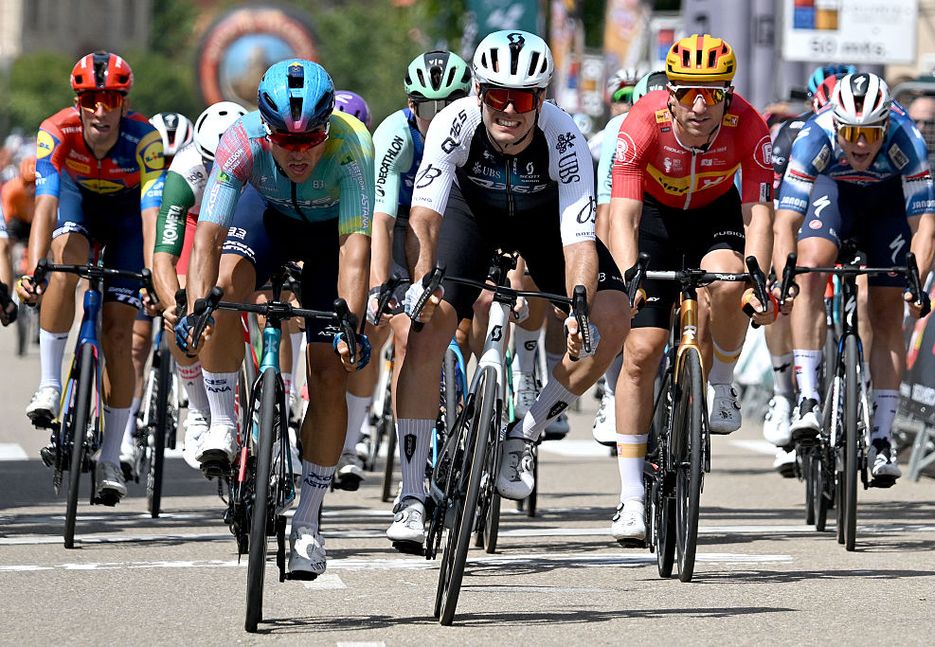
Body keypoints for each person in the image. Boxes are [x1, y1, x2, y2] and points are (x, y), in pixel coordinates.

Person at [395, 29, 630, 550]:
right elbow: (426, 218)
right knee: (427, 321)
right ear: (478, 92)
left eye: (522, 98)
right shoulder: (453, 124)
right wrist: (422, 282)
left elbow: (579, 242)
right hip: (469, 219)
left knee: (612, 317)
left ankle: (524, 432)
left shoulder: (564, 137)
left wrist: (578, 310)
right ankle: (412, 497)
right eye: (496, 95)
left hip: (541, 224)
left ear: (541, 99)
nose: (508, 109)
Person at [178, 59, 374, 580]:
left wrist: (351, 325)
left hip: (328, 237)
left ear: (327, 127)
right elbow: (208, 236)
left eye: (311, 139)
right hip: (263, 220)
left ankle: (308, 522)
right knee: (225, 288)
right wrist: (199, 308)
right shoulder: (240, 142)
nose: (299, 152)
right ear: (265, 131)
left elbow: (356, 251)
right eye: (286, 142)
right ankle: (223, 421)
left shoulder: (353, 147)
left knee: (330, 371)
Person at [607, 34, 776, 544]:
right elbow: (623, 215)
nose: (700, 105)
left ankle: (721, 384)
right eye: (688, 93)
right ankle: (632, 497)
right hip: (655, 220)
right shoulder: (641, 124)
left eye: (713, 93)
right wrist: (629, 275)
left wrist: (759, 280)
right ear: (672, 93)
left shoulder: (749, 125)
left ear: (728, 94)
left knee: (729, 283)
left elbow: (758, 212)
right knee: (641, 352)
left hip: (715, 217)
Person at [16, 51, 165, 503]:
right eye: (91, 98)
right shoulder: (55, 129)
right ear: (77, 100)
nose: (102, 109)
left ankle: (111, 455)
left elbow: (152, 215)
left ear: (125, 101)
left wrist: (155, 277)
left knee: (120, 334)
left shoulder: (146, 138)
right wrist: (33, 269)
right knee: (63, 261)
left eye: (112, 99)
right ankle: (50, 384)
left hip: (125, 221)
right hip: (76, 207)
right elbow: (44, 203)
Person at [775, 72, 935, 483]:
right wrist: (784, 279)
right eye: (850, 133)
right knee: (810, 268)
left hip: (885, 206)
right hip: (833, 196)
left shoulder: (907, 138)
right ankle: (807, 400)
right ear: (836, 124)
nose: (860, 144)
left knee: (886, 312)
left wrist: (915, 284)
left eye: (870, 134)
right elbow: (786, 222)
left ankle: (882, 437)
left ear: (886, 124)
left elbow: (924, 226)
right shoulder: (814, 137)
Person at [346, 50, 471, 502]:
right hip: (402, 227)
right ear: (410, 106)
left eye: (448, 106)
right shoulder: (395, 134)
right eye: (427, 108)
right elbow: (379, 219)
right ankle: (412, 463)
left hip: (457, 224)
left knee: (472, 316)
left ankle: (474, 402)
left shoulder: (480, 129)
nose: (437, 118)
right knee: (405, 332)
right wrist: (381, 287)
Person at [151, 101, 248, 469]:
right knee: (183, 309)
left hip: (242, 221)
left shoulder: (259, 159)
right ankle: (198, 407)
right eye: (212, 164)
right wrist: (171, 304)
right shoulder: (186, 169)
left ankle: (281, 395)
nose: (218, 172)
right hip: (197, 225)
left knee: (278, 301)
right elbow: (164, 254)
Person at [762, 71, 848, 475]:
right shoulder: (794, 133)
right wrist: (780, 265)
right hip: (799, 213)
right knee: (781, 293)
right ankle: (783, 394)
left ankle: (854, 390)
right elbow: (778, 206)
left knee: (868, 292)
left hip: (850, 216)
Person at [590, 70, 666, 447]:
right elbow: (608, 212)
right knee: (621, 305)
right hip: (631, 217)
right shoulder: (622, 129)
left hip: (675, 220)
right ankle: (611, 392)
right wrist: (608, 276)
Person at [119, 111, 195, 477]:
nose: (168, 168)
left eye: (175, 158)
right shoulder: (136, 174)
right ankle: (127, 427)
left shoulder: (196, 177)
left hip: (180, 256)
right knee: (134, 344)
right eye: (162, 160)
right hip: (140, 252)